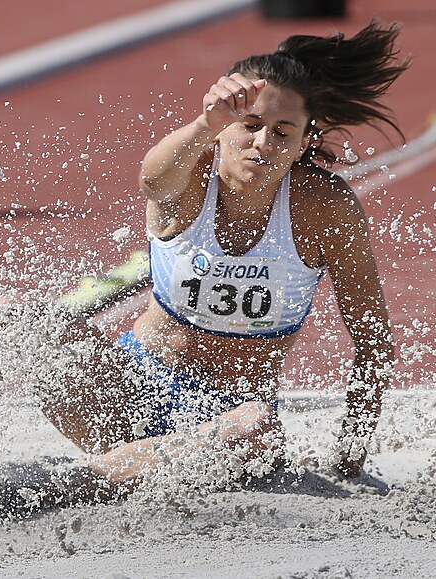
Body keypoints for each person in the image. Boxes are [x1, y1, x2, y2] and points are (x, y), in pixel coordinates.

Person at [39, 20, 407, 489]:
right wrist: (203, 123)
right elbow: (150, 180)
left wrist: (350, 460)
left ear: (302, 144)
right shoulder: (188, 180)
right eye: (250, 126)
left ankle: (70, 486)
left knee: (257, 426)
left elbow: (373, 339)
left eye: (282, 133)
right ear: (220, 129)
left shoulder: (324, 209)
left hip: (227, 427)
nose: (263, 144)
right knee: (21, 324)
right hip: (128, 397)